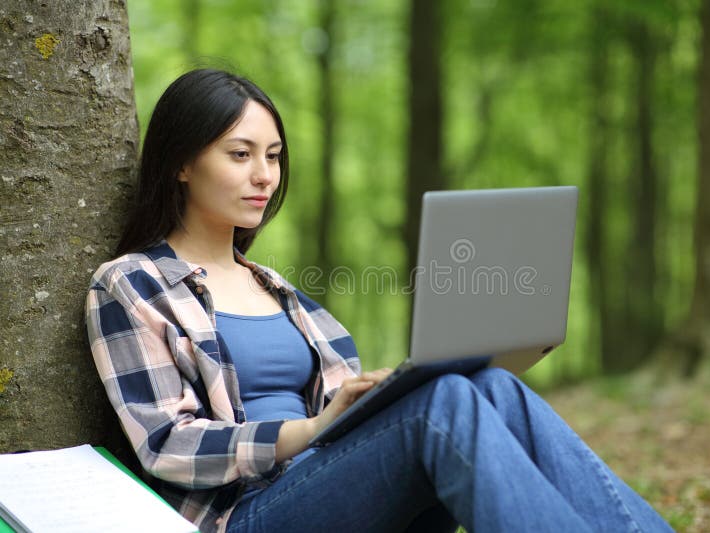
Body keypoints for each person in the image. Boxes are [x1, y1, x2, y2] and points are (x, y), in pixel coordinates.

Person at [85, 68, 673, 533]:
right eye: (240, 154)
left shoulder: (287, 297)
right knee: (444, 406)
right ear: (182, 163)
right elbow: (166, 443)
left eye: (273, 155)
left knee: (490, 387)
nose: (264, 175)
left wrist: (379, 397)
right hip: (242, 515)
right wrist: (310, 430)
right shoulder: (131, 284)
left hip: (329, 484)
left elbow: (350, 417)